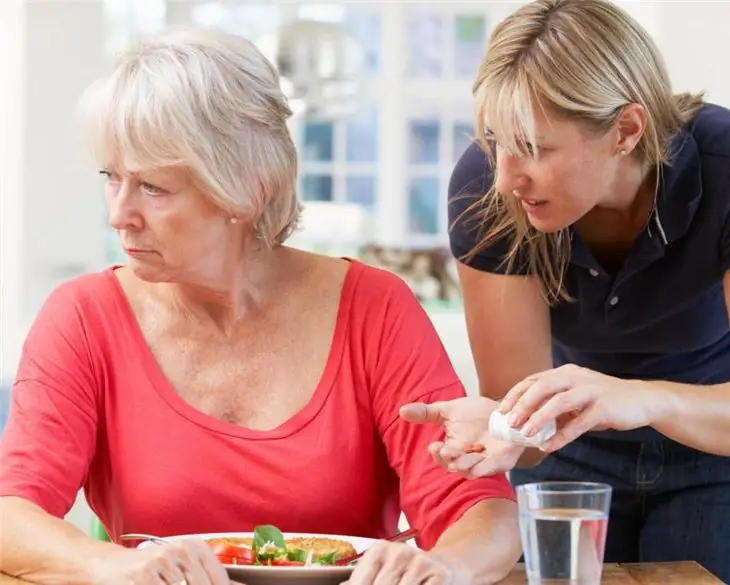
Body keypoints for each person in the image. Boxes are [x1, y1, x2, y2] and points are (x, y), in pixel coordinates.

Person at [0, 29, 521, 585]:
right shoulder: (83, 318)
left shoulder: (375, 308)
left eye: (153, 187)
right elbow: (11, 516)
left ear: (248, 190)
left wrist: (443, 568)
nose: (119, 214)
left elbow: (482, 511)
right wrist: (113, 566)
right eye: (112, 178)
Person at [400, 1, 730, 584]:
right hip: (570, 451)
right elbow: (529, 442)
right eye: (494, 141)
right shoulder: (485, 190)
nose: (507, 178)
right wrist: (502, 429)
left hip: (726, 453)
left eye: (534, 148)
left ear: (626, 130)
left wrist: (641, 398)